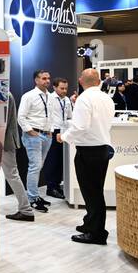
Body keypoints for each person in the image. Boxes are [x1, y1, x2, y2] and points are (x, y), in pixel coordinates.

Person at [59, 68, 116, 245]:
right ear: (98, 81)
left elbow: (80, 127)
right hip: (102, 148)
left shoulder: (85, 98)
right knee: (95, 190)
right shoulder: (106, 97)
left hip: (89, 151)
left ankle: (96, 233)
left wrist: (64, 137)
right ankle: (90, 223)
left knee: (91, 192)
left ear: (82, 81)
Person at [16, 70, 54, 213]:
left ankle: (35, 196)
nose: (47, 81)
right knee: (35, 167)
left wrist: (50, 130)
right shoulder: (29, 96)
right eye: (44, 78)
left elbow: (50, 115)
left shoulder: (49, 96)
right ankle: (32, 199)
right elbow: (21, 117)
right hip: (33, 135)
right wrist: (31, 131)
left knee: (38, 167)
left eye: (48, 78)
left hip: (46, 135)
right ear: (36, 80)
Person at [0, 82, 35, 223]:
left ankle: (26, 210)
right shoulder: (2, 94)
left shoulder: (4, 95)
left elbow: (3, 122)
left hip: (4, 141)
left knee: (12, 175)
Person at [43, 77, 73, 199]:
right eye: (62, 88)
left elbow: (70, 116)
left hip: (64, 131)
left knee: (62, 160)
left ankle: (57, 184)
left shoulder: (66, 100)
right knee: (52, 160)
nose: (64, 90)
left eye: (66, 88)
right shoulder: (49, 98)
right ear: (55, 87)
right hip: (53, 131)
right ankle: (51, 187)